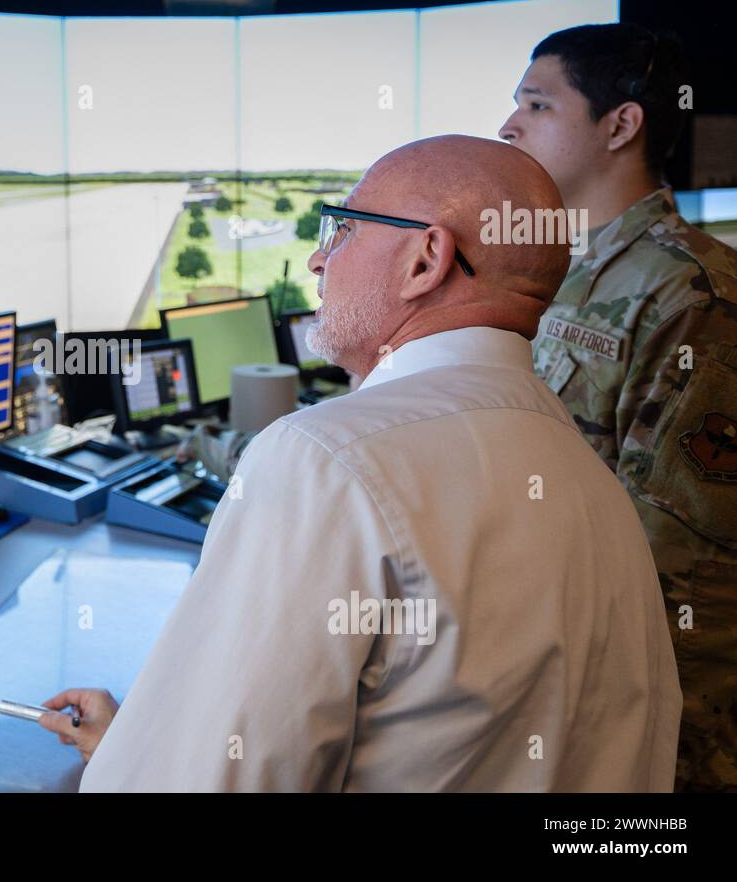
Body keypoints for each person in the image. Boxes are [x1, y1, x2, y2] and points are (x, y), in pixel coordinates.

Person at [39, 135, 681, 791]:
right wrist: (156, 739)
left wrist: (148, 760)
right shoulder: (599, 489)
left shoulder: (324, 461)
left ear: (425, 260)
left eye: (342, 229)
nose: (318, 258)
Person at [499, 23, 737, 792]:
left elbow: (683, 569)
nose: (509, 126)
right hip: (555, 662)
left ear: (621, 125)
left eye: (537, 105)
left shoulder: (694, 292)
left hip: (657, 723)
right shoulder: (562, 272)